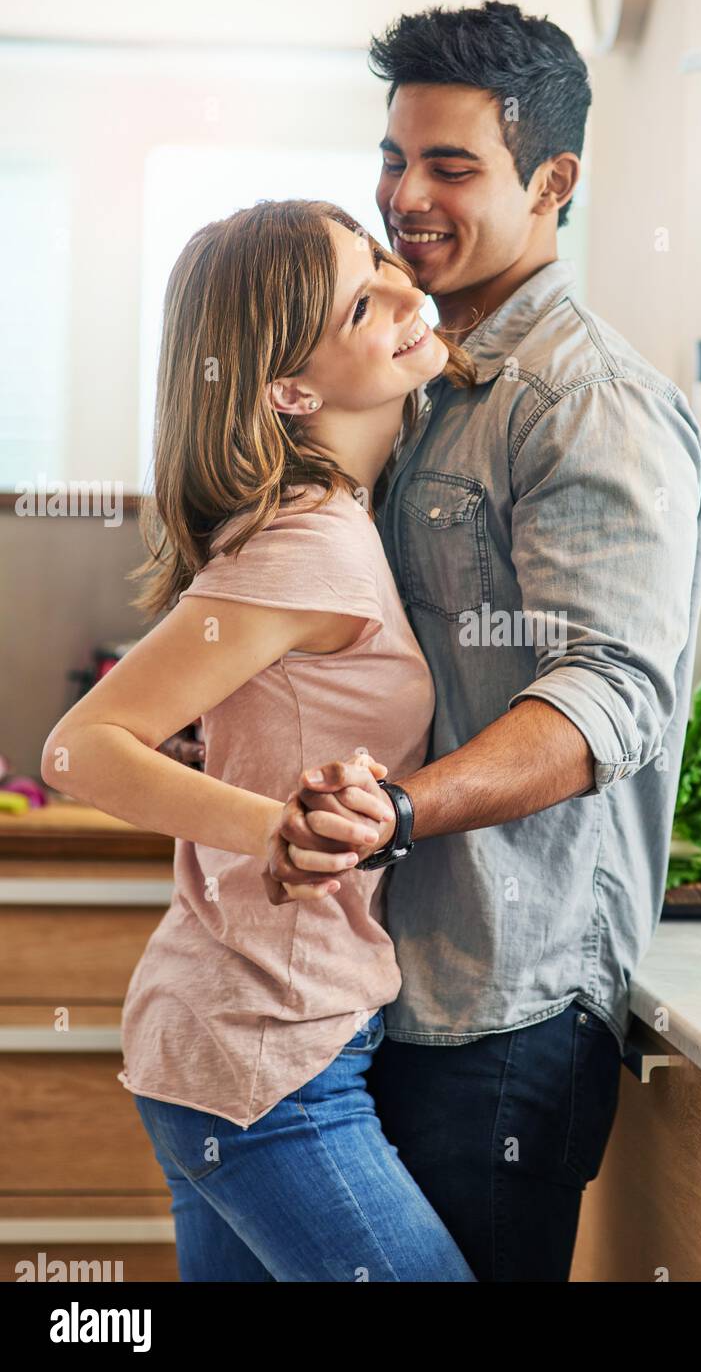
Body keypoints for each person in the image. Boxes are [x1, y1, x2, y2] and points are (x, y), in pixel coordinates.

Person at [267, 2, 701, 1282]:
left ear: (554, 181)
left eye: (452, 166)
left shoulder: (591, 402)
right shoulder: (416, 375)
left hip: (505, 1006)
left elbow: (611, 692)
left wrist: (398, 811)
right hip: (380, 986)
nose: (407, 196)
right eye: (395, 160)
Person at [41, 199, 476, 1282]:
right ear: (290, 391)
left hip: (244, 1050)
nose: (404, 295)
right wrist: (273, 824)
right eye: (361, 303)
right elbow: (81, 747)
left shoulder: (330, 516)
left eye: (385, 266)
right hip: (266, 1063)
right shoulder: (312, 544)